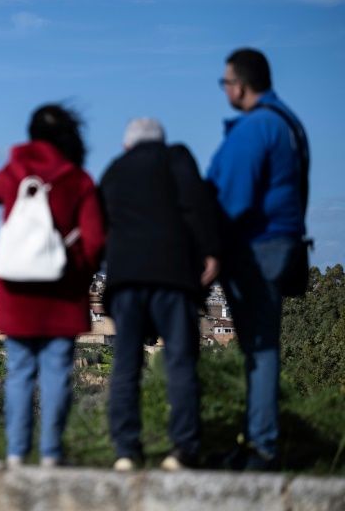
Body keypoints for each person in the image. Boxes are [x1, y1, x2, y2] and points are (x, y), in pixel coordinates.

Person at [0, 104, 105, 468]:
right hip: (62, 293)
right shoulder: (78, 179)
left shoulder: (16, 170)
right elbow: (96, 240)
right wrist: (79, 274)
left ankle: (16, 453)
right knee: (56, 374)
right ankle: (51, 453)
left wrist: (18, 161)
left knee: (20, 372)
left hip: (17, 292)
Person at [207, 48, 309, 471]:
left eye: (226, 82)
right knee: (259, 346)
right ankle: (254, 441)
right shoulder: (288, 123)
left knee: (261, 348)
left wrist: (209, 248)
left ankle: (261, 447)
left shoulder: (256, 127)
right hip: (279, 243)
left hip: (257, 248)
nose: (225, 89)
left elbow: (230, 197)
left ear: (241, 85)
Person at [99, 118, 220, 471]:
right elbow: (198, 205)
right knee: (180, 361)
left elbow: (99, 224)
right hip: (173, 275)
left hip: (126, 279)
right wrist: (211, 251)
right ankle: (183, 449)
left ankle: (125, 450)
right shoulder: (177, 158)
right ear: (161, 141)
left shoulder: (114, 170)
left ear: (127, 145)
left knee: (126, 363)